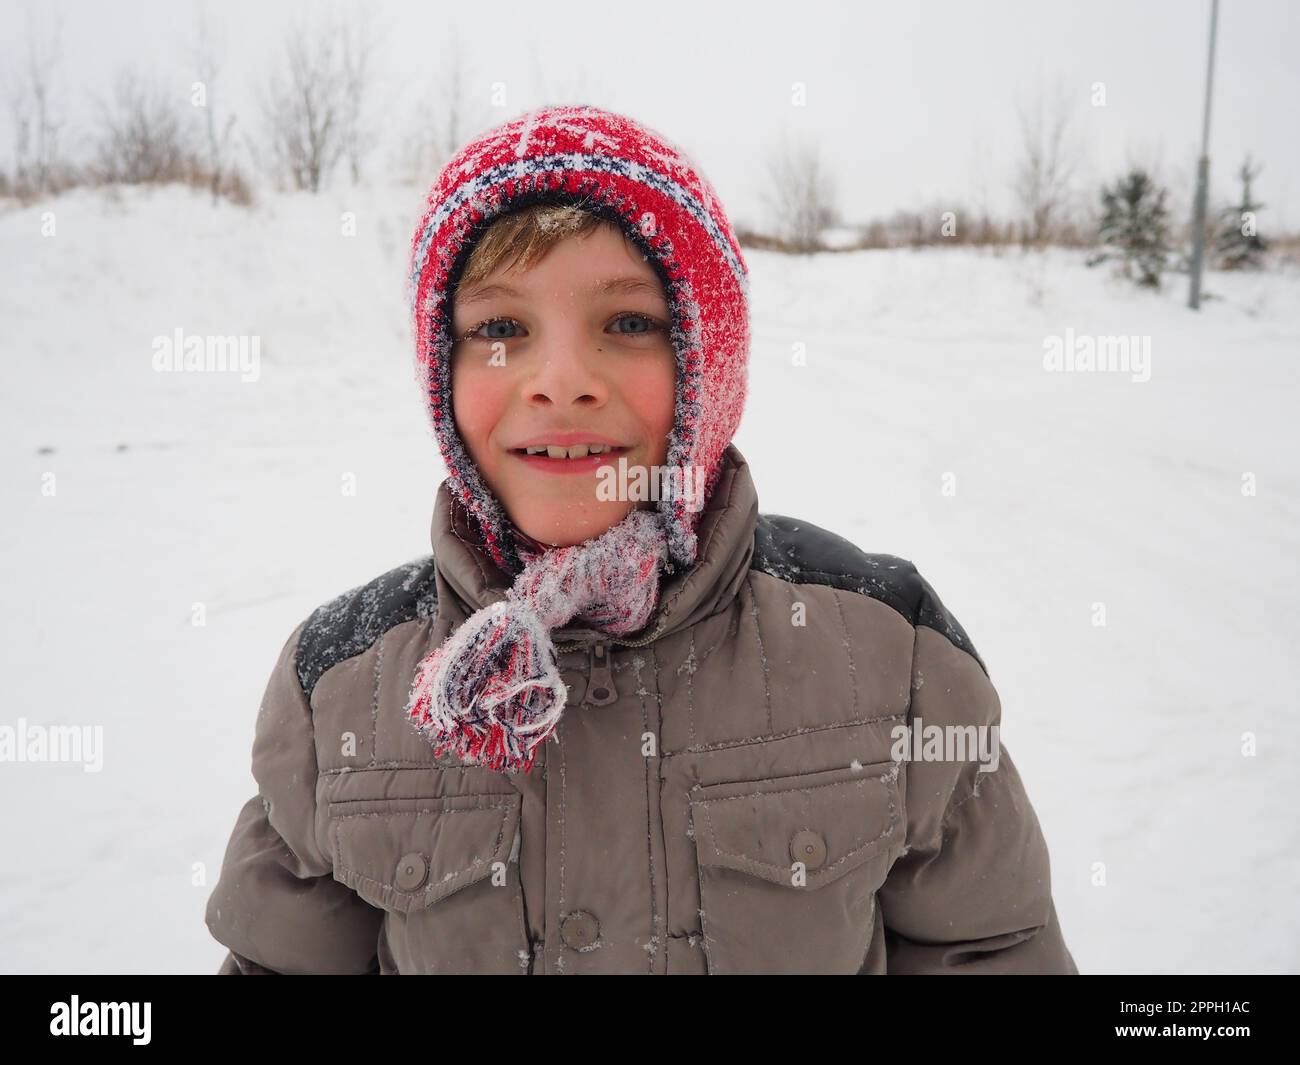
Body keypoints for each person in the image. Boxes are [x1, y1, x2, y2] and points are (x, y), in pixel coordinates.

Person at [205, 103, 1077, 974]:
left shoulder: (889, 653)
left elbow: (990, 947)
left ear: (708, 357)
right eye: (501, 329)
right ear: (445, 369)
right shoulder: (341, 689)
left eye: (627, 323)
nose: (560, 382)